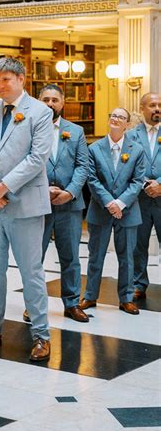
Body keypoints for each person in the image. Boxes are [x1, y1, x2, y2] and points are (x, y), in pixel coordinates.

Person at [0, 57, 54, 361]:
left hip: (25, 205)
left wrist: (3, 187)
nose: (0, 85)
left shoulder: (39, 112)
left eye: (6, 79)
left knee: (31, 273)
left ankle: (41, 335)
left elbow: (37, 158)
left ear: (21, 79)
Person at [23, 84, 89, 323]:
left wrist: (70, 192)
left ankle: (72, 304)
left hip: (69, 206)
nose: (50, 104)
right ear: (39, 102)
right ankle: (33, 305)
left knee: (70, 257)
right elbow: (23, 163)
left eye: (55, 100)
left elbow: (83, 166)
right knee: (34, 257)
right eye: (46, 99)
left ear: (63, 103)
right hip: (37, 203)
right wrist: (41, 190)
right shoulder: (27, 129)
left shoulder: (76, 131)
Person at [80, 108, 146, 315]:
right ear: (109, 120)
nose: (116, 119)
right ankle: (90, 296)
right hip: (100, 210)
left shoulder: (137, 149)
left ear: (127, 124)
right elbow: (91, 179)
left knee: (126, 257)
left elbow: (137, 182)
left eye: (121, 117)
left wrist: (121, 203)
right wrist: (110, 202)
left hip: (128, 212)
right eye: (113, 116)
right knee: (95, 256)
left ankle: (126, 298)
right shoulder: (95, 148)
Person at [126, 92, 161, 300]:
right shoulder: (131, 135)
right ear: (142, 109)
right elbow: (125, 166)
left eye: (159, 105)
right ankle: (139, 283)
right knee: (139, 244)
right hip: (139, 199)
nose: (157, 108)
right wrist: (144, 183)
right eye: (152, 105)